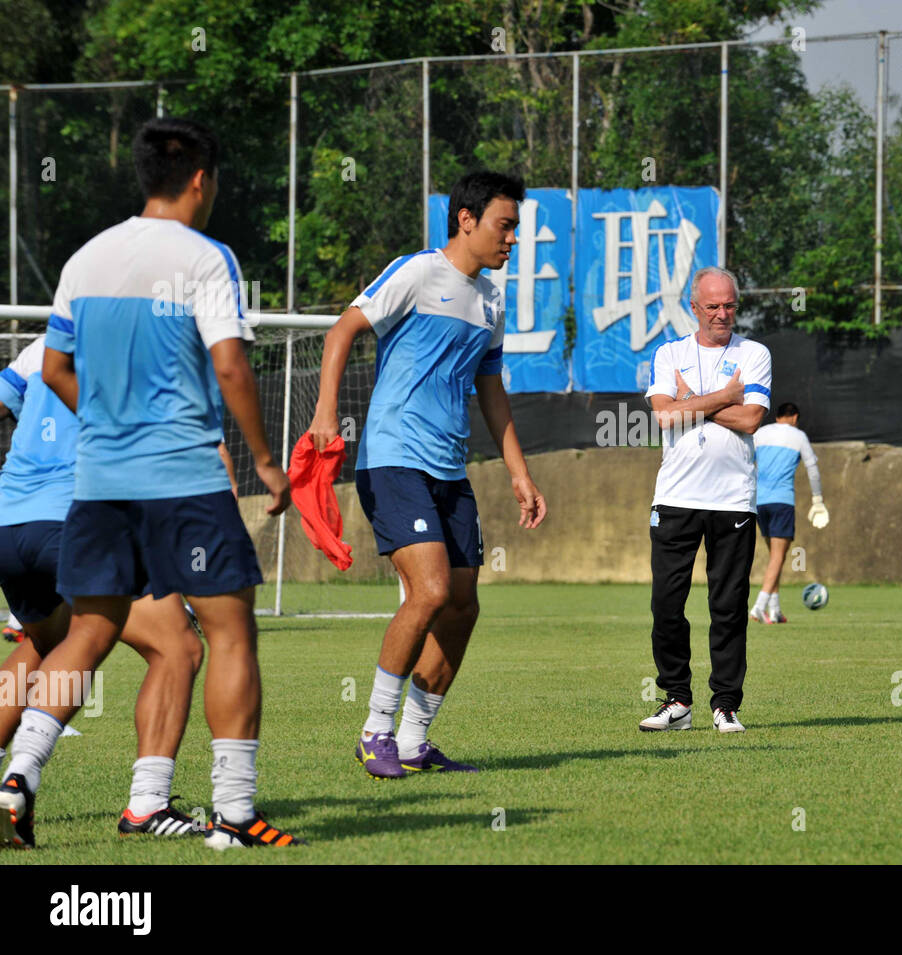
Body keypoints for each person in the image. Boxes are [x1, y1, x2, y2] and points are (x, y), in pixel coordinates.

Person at [0, 117, 298, 851]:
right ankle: (234, 812)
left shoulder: (85, 259)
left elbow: (57, 368)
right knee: (227, 630)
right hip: (181, 477)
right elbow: (230, 363)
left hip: (97, 484)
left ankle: (18, 776)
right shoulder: (207, 258)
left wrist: (107, 422)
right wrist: (263, 458)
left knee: (87, 631)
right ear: (202, 180)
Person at [309, 170, 546, 779]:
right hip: (392, 458)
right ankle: (374, 732)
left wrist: (519, 474)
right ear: (466, 220)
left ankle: (414, 741)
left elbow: (492, 393)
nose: (512, 239)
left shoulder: (491, 301)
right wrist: (326, 412)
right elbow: (342, 330)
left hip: (449, 469)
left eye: (515, 228)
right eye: (505, 225)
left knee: (463, 605)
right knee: (431, 591)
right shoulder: (416, 272)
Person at [0, 336, 207, 847]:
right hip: (78, 518)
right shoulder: (151, 340)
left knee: (47, 646)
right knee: (176, 647)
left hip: (10, 520)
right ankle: (144, 804)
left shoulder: (44, 343)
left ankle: (16, 778)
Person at [639, 266, 771, 734]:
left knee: (729, 606)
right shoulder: (668, 351)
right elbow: (664, 418)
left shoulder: (754, 353)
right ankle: (677, 700)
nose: (722, 314)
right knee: (666, 605)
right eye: (712, 306)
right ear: (694, 307)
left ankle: (726, 704)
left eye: (730, 305)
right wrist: (724, 397)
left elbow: (752, 418)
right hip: (676, 497)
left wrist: (692, 401)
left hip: (734, 500)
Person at [750, 402, 827, 624]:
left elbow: (747, 462)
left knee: (777, 557)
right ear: (794, 417)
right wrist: (818, 499)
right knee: (778, 556)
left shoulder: (760, 433)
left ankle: (774, 610)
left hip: (759, 503)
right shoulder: (798, 436)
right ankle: (758, 606)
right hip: (782, 502)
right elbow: (812, 468)